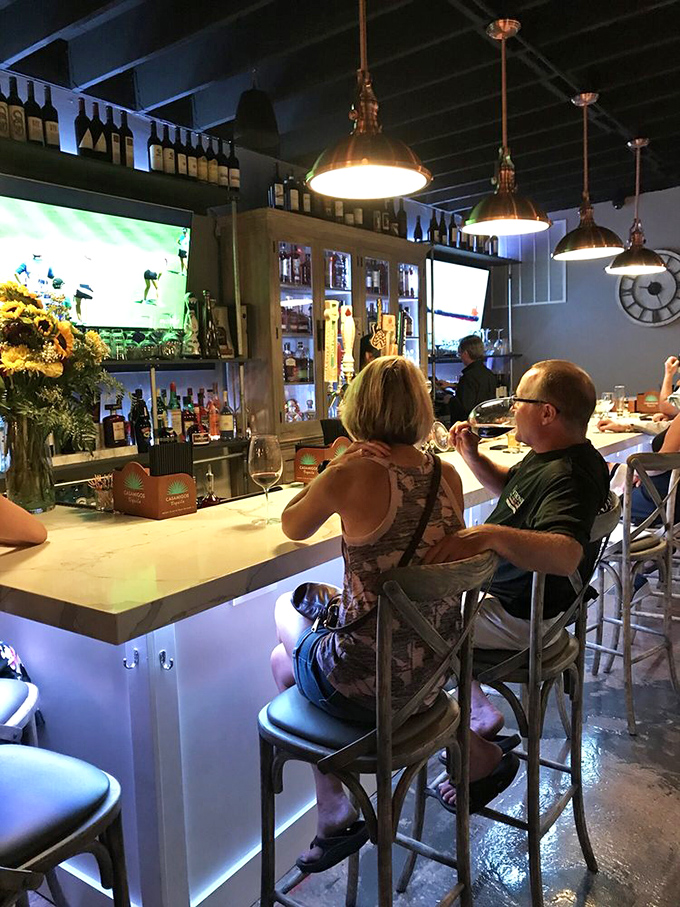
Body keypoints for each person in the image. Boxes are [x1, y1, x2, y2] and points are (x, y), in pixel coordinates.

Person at [271, 356, 516, 874]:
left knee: (280, 645)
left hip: (368, 688)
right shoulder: (445, 474)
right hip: (433, 680)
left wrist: (336, 465)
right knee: (312, 631)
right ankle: (465, 748)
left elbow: (292, 524)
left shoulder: (353, 471)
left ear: (358, 407)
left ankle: (334, 805)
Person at [424, 359, 610, 808]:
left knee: (409, 632)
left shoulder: (568, 475)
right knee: (435, 616)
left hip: (521, 616)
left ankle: (480, 754)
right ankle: (481, 712)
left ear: (547, 413)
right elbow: (514, 489)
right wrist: (472, 457)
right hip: (517, 604)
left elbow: (566, 552)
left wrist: (488, 534)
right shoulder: (554, 456)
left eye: (519, 402)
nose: (511, 410)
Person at [448, 334, 498, 424]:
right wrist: (452, 385)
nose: (460, 357)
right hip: (486, 423)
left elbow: (465, 409)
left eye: (460, 354)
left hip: (469, 428)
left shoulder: (468, 377)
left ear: (466, 353)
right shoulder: (489, 374)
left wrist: (449, 399)